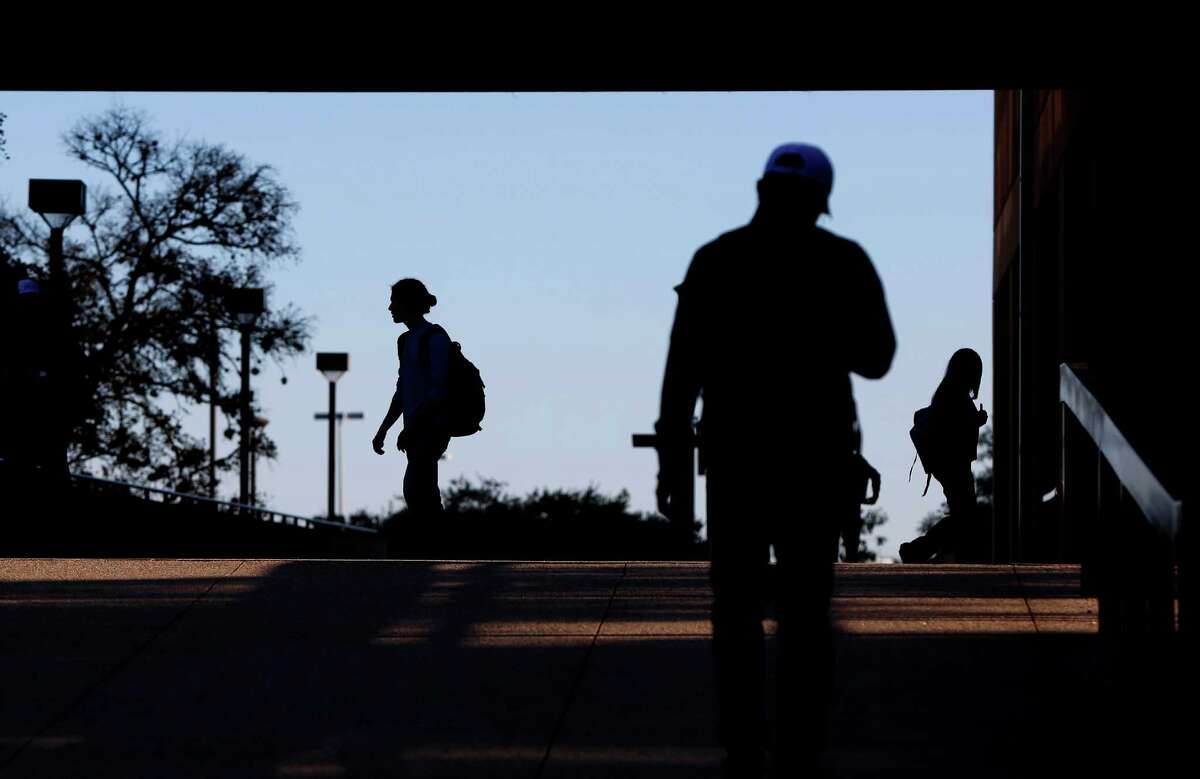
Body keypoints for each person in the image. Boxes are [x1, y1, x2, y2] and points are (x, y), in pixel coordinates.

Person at [655, 143, 896, 777]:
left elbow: (682, 372)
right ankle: (800, 739)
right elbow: (877, 358)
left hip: (736, 456)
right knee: (805, 605)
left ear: (762, 190)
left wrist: (674, 466)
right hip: (813, 456)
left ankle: (742, 739)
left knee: (734, 602)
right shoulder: (842, 261)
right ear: (821, 200)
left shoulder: (716, 260)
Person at [372, 278, 454, 528]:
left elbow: (438, 391)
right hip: (415, 429)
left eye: (394, 301)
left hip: (433, 426)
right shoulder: (405, 341)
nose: (390, 308)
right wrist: (384, 428)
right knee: (421, 491)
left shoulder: (435, 338)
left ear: (408, 303)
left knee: (417, 488)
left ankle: (438, 548)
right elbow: (402, 391)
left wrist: (411, 428)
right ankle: (436, 549)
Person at [899, 348, 988, 564]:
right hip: (954, 464)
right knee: (964, 516)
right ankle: (917, 550)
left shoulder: (946, 392)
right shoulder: (955, 395)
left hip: (948, 464)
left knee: (963, 515)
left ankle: (924, 550)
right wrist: (976, 420)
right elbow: (954, 428)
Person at [839, 421, 881, 563]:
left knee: (851, 545)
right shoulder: (857, 460)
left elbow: (875, 476)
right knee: (851, 545)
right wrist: (873, 497)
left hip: (851, 504)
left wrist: (873, 497)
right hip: (852, 505)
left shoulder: (856, 460)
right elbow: (875, 475)